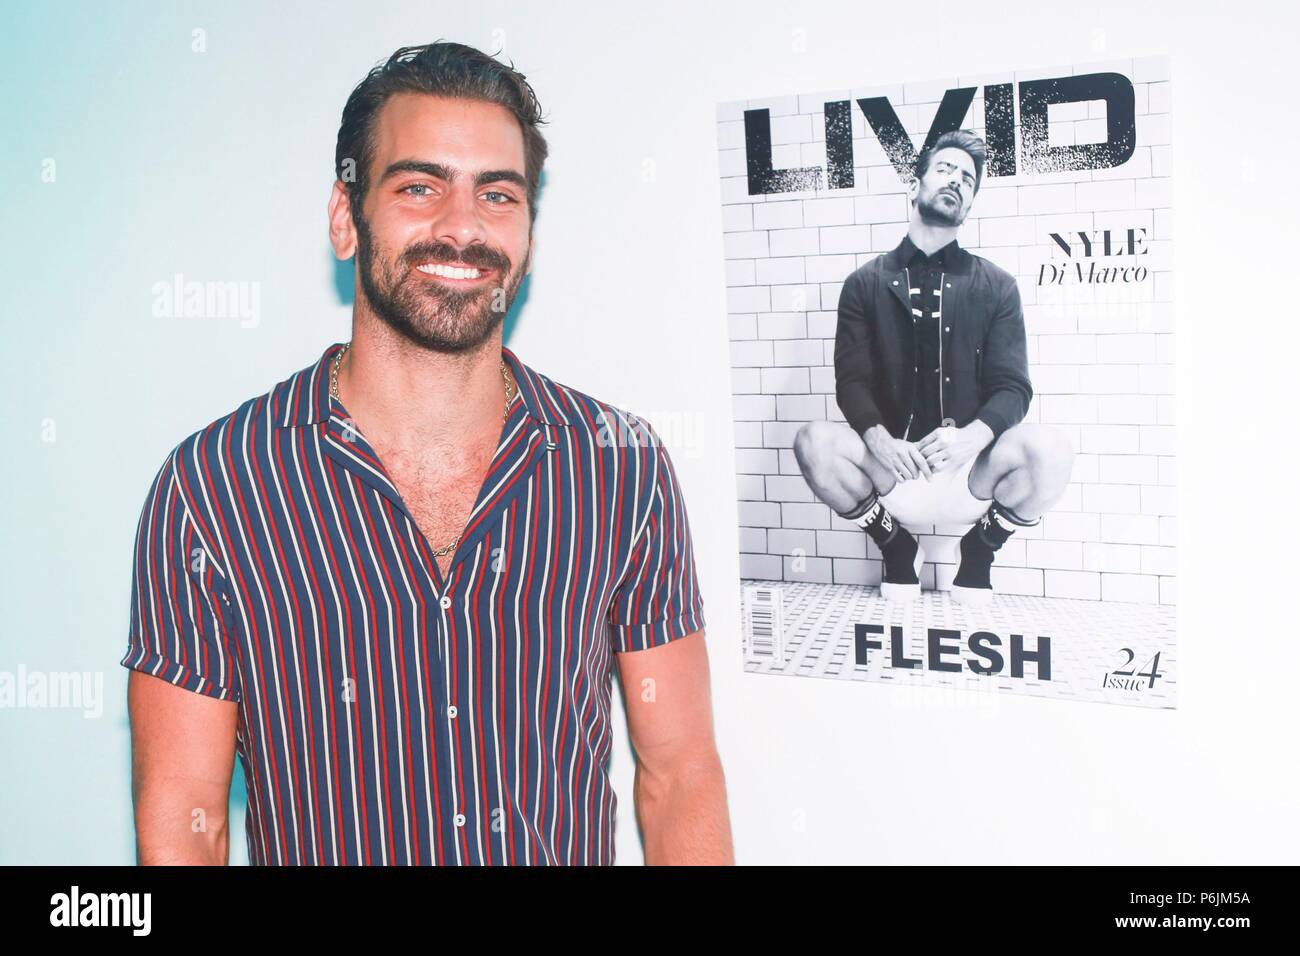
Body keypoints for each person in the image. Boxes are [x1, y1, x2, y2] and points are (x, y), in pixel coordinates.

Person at [122, 42, 731, 865]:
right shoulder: (213, 487)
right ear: (346, 217)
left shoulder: (620, 466)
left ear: (527, 232)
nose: (462, 226)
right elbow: (186, 816)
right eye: (419, 186)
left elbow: (680, 773)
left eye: (498, 194)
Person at [793, 130, 1073, 605]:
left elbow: (1013, 387)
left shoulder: (997, 286)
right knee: (812, 442)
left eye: (968, 179)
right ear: (915, 185)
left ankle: (979, 550)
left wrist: (972, 438)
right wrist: (881, 440)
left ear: (970, 204)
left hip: (968, 473)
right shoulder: (864, 283)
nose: (957, 181)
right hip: (892, 474)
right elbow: (851, 382)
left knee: (1051, 451)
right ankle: (895, 545)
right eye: (945, 169)